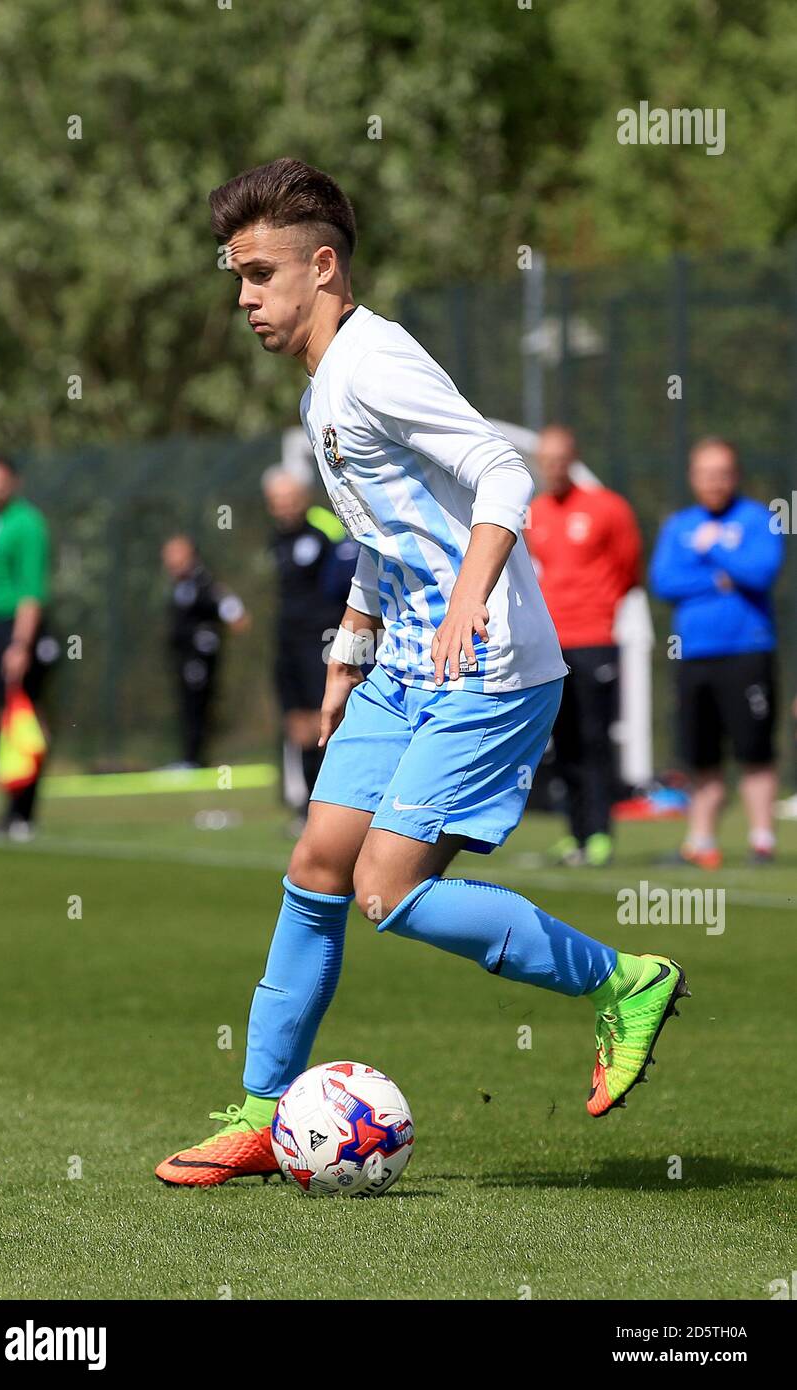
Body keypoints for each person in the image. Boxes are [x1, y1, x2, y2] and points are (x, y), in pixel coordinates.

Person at [156, 158, 689, 1186]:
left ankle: (623, 980)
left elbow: (501, 470)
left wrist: (465, 598)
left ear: (322, 266)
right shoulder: (323, 387)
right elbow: (382, 539)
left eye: (260, 274)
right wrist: (349, 651)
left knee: (384, 887)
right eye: (237, 276)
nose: (244, 298)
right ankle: (263, 1114)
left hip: (487, 667)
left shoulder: (376, 363)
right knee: (316, 864)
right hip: (401, 667)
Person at [650, 437, 785, 867]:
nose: (715, 482)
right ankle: (701, 841)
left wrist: (715, 548)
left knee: (754, 750)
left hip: (747, 652)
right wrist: (718, 579)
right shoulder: (679, 525)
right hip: (693, 656)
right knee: (702, 754)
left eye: (722, 474)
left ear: (735, 475)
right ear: (693, 477)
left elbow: (761, 572)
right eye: (706, 474)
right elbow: (664, 581)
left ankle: (761, 840)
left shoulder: (758, 519)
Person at [525, 426, 643, 867]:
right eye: (546, 460)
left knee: (595, 740)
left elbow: (629, 569)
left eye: (560, 459)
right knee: (563, 742)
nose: (553, 468)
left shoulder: (608, 508)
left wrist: (599, 609)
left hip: (595, 642)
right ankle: (575, 833)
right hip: (551, 647)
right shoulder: (535, 513)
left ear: (573, 459)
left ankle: (600, 835)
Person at [262, 466, 358, 827]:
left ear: (303, 498)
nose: (284, 506)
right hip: (288, 640)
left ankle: (333, 805)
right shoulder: (275, 539)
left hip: (321, 639)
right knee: (297, 723)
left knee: (325, 720)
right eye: (277, 501)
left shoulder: (326, 527)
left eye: (289, 498)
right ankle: (306, 806)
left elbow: (349, 577)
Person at [0, 455, 53, 839]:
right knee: (4, 720)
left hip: (16, 628)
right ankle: (10, 811)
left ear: (13, 482)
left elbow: (31, 592)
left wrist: (20, 644)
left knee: (24, 719)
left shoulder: (27, 523)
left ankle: (22, 814)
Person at [161, 534, 251, 768]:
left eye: (175, 554)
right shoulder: (181, 585)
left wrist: (231, 622)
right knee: (188, 704)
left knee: (197, 705)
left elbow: (231, 609)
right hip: (185, 656)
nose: (170, 561)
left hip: (199, 658)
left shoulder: (204, 583)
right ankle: (190, 758)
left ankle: (194, 759)